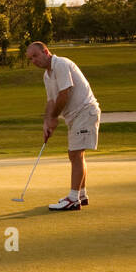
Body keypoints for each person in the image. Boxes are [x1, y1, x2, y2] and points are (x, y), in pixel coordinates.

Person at [25, 41, 101, 211]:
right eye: (30, 59)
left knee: (75, 153)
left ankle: (73, 199)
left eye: (35, 56)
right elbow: (51, 100)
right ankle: (81, 194)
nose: (34, 61)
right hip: (75, 116)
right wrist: (47, 121)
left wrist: (54, 117)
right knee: (76, 154)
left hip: (85, 111)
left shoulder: (61, 64)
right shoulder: (47, 75)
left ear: (46, 52)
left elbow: (64, 94)